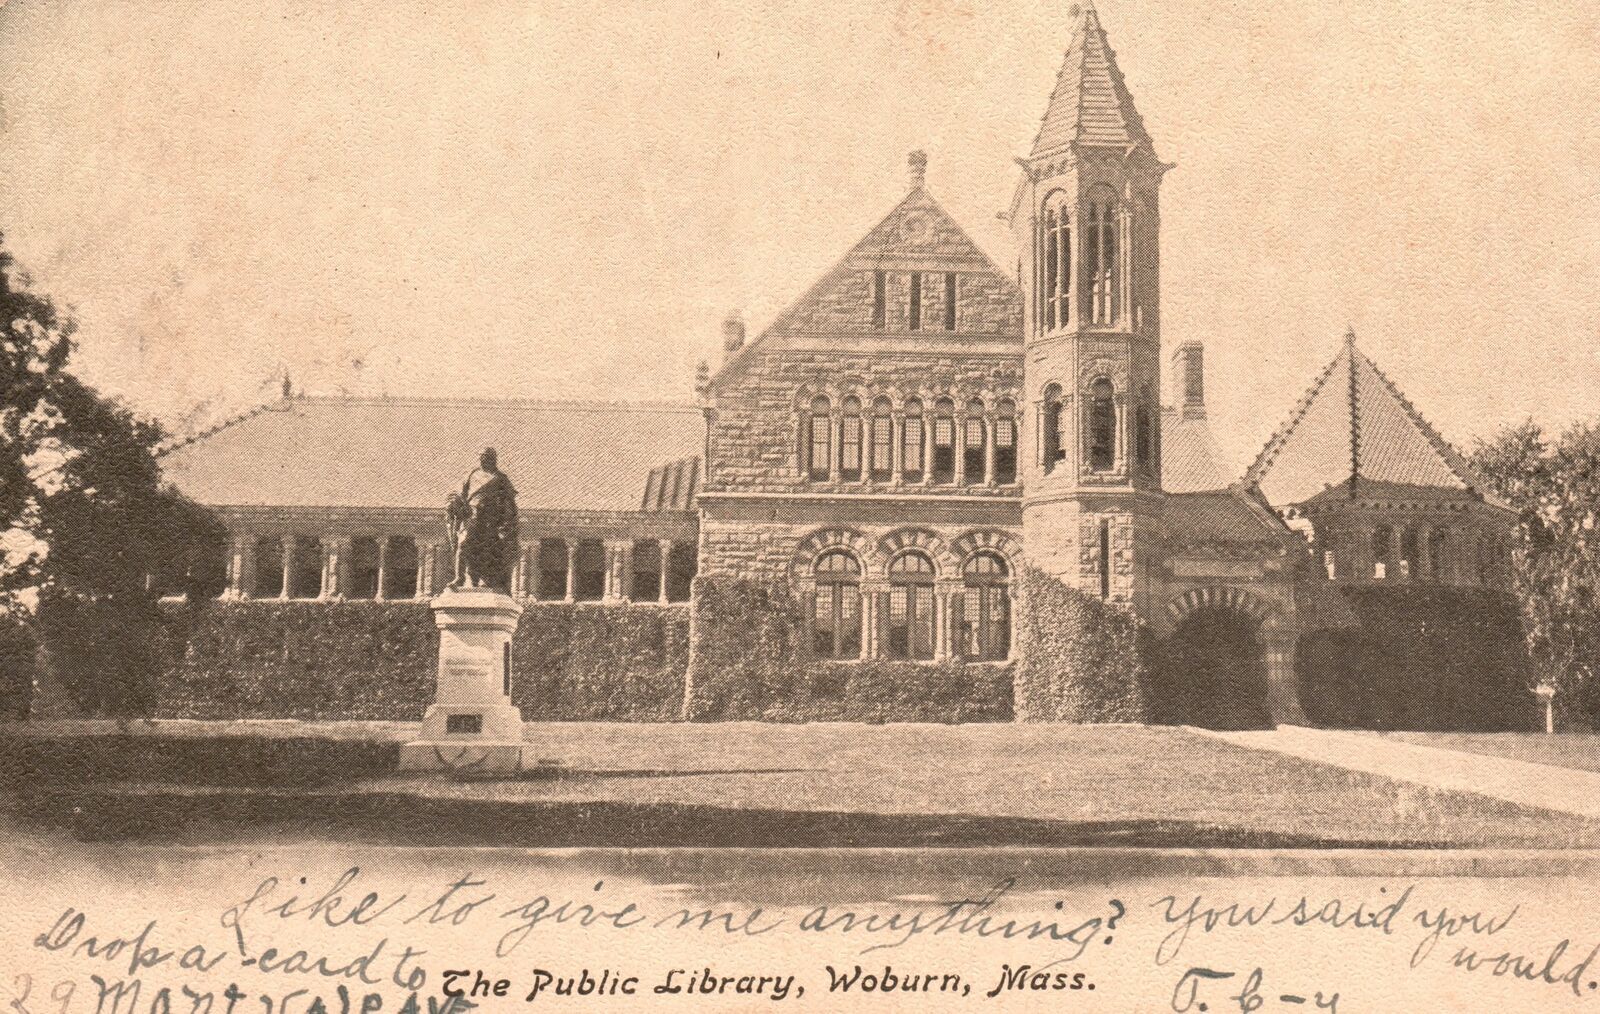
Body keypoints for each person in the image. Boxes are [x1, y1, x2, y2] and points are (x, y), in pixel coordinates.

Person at [448, 447, 519, 591]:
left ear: (493, 459)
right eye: (481, 457)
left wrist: (507, 523)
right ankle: (459, 577)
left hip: (490, 518)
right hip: (471, 515)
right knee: (463, 544)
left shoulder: (500, 478)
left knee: (486, 548)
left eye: (486, 457)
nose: (482, 460)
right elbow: (462, 493)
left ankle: (484, 579)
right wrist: (455, 503)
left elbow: (510, 502)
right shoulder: (472, 474)